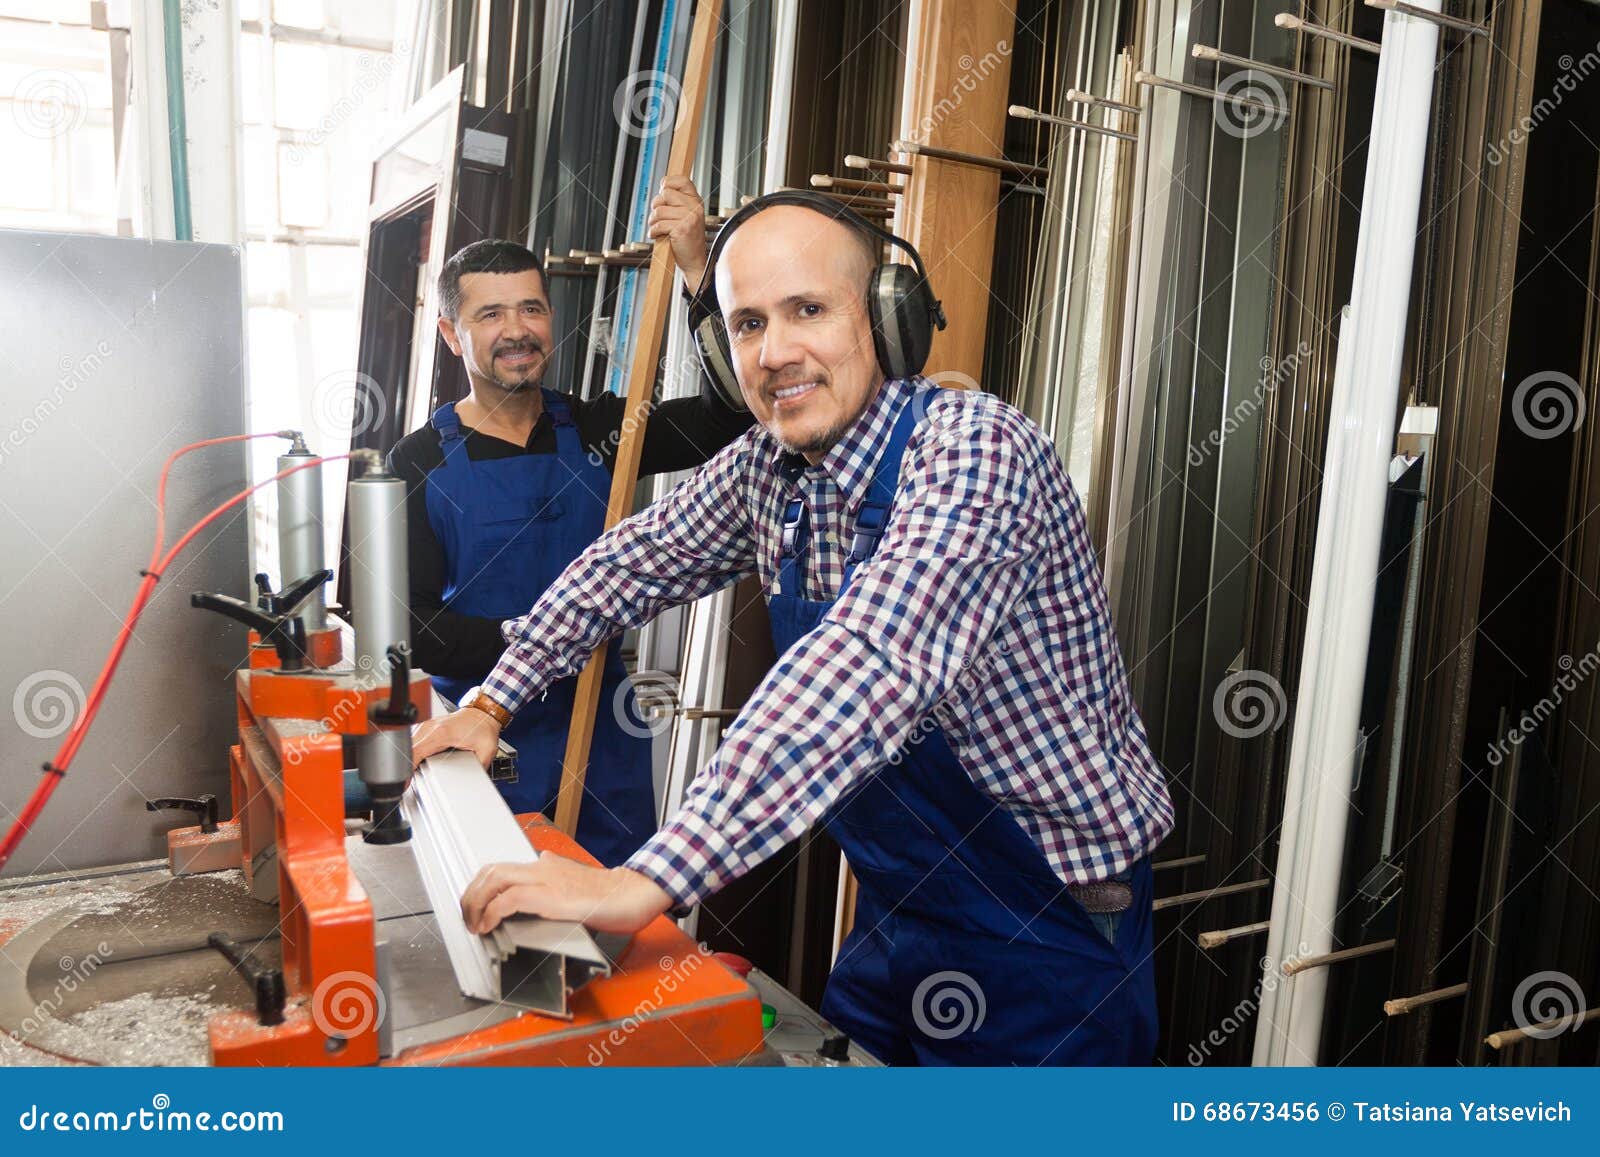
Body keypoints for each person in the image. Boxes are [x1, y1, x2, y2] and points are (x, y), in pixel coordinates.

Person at [412, 191, 1173, 1065]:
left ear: (888, 320)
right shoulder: (771, 467)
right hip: (903, 904)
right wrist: (493, 701)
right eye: (746, 325)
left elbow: (864, 667)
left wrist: (643, 879)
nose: (775, 353)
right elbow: (621, 564)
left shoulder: (978, 453)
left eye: (807, 310)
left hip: (1047, 918)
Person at [386, 177, 750, 866]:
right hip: (484, 741)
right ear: (449, 332)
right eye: (490, 314)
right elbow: (408, 628)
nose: (517, 330)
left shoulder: (599, 429)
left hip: (606, 736)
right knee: (504, 935)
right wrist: (540, 644)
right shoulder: (416, 463)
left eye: (531, 308)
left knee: (619, 935)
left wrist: (700, 271)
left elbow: (728, 418)